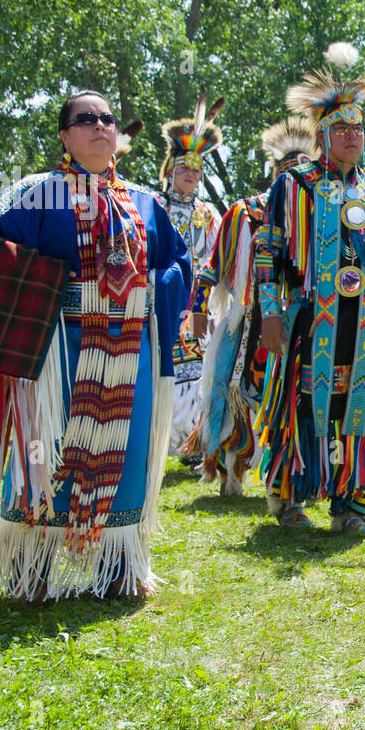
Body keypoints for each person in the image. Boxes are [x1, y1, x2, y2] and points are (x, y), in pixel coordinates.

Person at [0, 91, 191, 599]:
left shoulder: (146, 203)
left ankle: (118, 568)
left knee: (125, 453)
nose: (100, 126)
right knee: (47, 454)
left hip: (129, 348)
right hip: (56, 350)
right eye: (85, 119)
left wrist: (154, 287)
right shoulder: (39, 192)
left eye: (108, 118)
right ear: (65, 136)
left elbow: (178, 262)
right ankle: (31, 569)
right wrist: (39, 286)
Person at [256, 44, 365, 535]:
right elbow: (269, 248)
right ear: (323, 135)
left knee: (362, 405)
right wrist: (269, 311)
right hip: (311, 317)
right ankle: (291, 499)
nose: (353, 136)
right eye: (342, 129)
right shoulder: (296, 185)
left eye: (359, 128)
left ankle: (353, 503)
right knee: (303, 402)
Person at [189, 116, 318, 499]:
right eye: (287, 171)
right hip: (246, 320)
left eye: (302, 170)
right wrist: (199, 309)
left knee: (293, 395)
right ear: (276, 175)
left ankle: (292, 474)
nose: (294, 177)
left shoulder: (318, 216)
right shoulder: (244, 212)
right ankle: (233, 472)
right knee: (234, 389)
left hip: (300, 317)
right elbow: (213, 266)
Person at [158, 95, 224, 459]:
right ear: (171, 170)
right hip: (162, 299)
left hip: (197, 304)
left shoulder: (208, 215)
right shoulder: (154, 206)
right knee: (163, 370)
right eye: (184, 168)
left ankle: (192, 444)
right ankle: (162, 441)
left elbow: (216, 260)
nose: (191, 175)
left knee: (198, 371)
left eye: (197, 171)